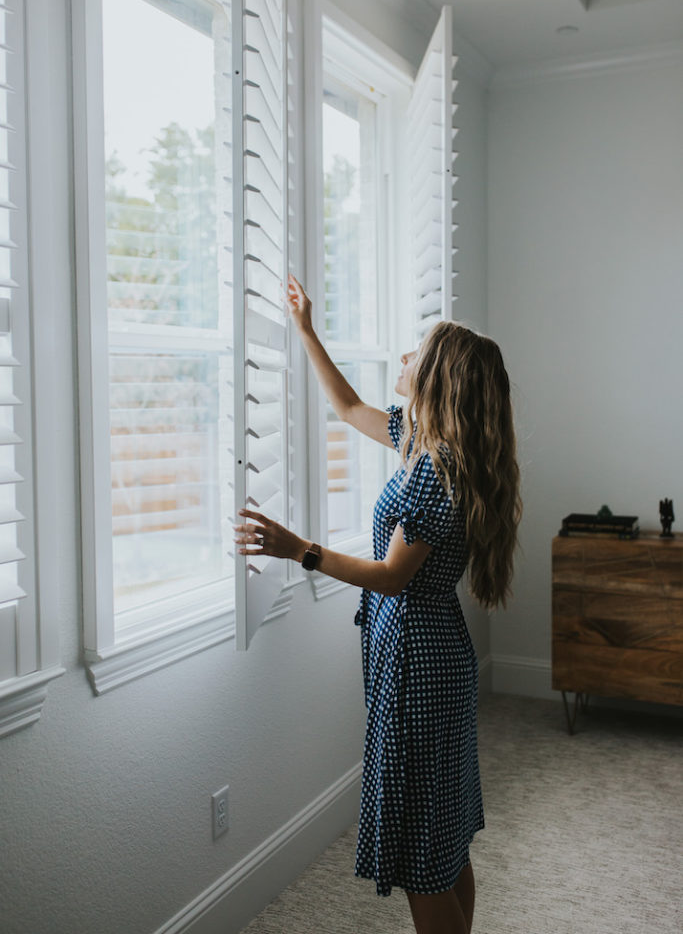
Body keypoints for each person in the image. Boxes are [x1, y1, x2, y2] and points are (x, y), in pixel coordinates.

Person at [233, 273, 522, 934]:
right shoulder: (430, 446)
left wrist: (295, 548)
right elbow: (346, 406)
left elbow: (391, 578)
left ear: (439, 378)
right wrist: (305, 331)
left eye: (414, 353)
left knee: (423, 852)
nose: (402, 359)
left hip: (418, 662)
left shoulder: (431, 468)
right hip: (437, 652)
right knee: (443, 839)